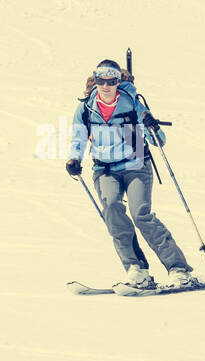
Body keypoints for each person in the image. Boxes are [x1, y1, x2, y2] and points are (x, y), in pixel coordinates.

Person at [65, 60, 195, 289]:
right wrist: (74, 158)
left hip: (136, 166)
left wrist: (152, 126)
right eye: (101, 80)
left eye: (111, 81)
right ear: (95, 80)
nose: (106, 86)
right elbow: (79, 135)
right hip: (104, 169)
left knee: (140, 214)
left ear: (118, 81)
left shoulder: (132, 102)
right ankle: (136, 269)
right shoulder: (86, 107)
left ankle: (178, 269)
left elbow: (159, 140)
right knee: (112, 212)